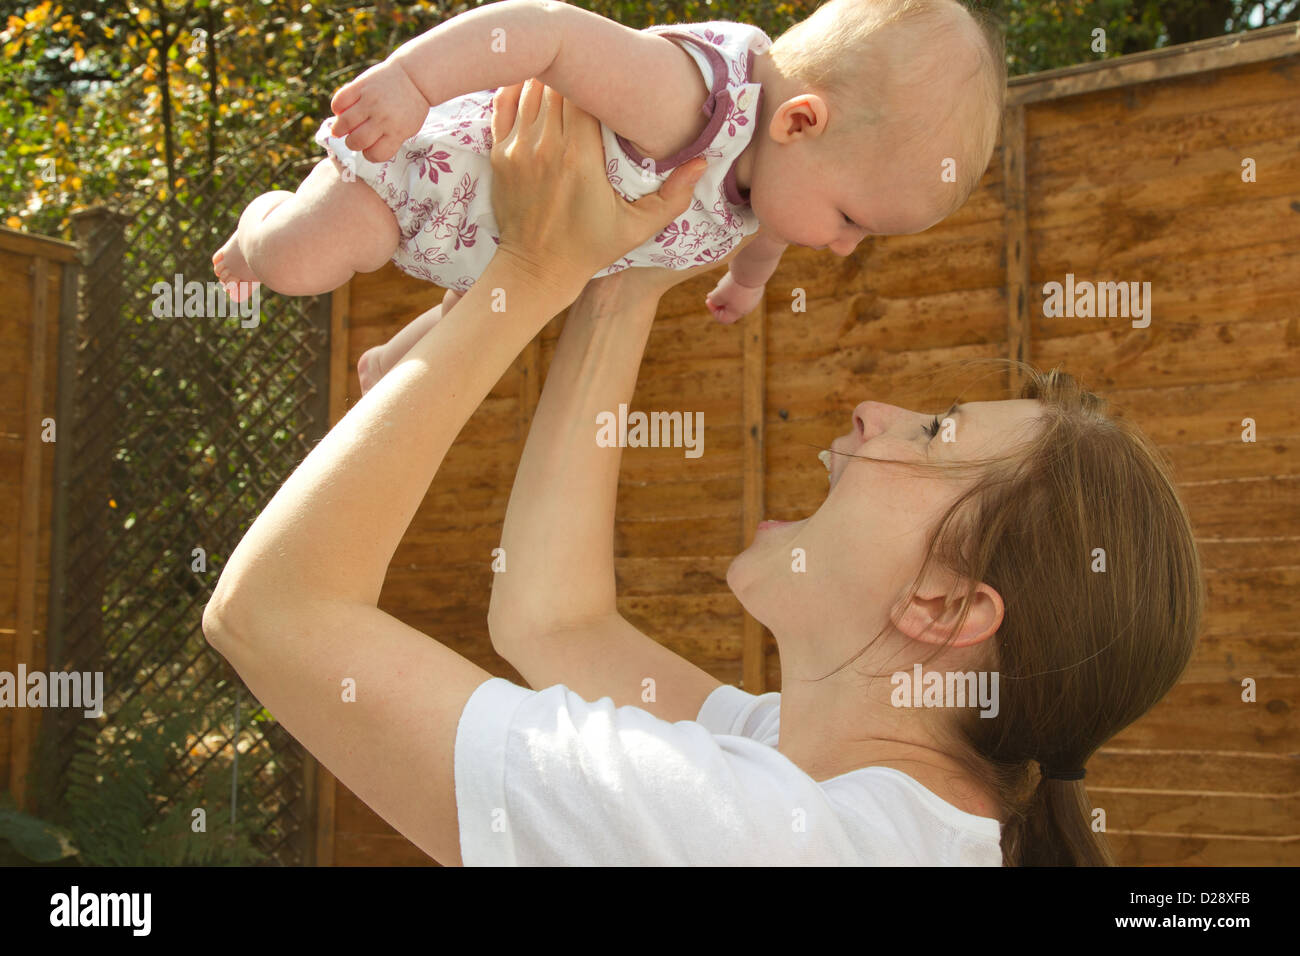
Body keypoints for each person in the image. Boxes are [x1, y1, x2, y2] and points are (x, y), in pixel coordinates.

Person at [203, 78, 1204, 866]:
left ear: (944, 606)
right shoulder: (840, 784)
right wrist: (626, 272)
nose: (874, 409)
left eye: (935, 432)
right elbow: (552, 624)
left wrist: (529, 271)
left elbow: (277, 615)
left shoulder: (756, 835)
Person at [210, 0, 1005, 393]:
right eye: (852, 221)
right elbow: (549, 32)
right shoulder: (689, 98)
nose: (841, 246)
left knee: (452, 350)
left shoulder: (779, 182)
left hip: (506, 255)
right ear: (801, 121)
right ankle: (260, 225)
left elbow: (774, 230)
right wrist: (412, 81)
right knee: (300, 264)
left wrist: (748, 280)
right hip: (429, 175)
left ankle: (389, 356)